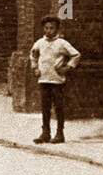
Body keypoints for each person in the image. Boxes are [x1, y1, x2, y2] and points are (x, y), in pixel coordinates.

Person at [29, 15, 80, 144]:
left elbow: (76, 55)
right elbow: (33, 55)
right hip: (43, 79)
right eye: (46, 28)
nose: (49, 31)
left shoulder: (62, 43)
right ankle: (45, 132)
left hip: (57, 80)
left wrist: (67, 67)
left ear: (57, 29)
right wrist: (35, 67)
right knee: (45, 107)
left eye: (52, 28)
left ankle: (60, 133)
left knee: (58, 107)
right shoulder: (39, 43)